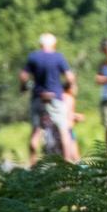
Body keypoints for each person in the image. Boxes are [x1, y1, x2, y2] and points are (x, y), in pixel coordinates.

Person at [20, 32, 77, 165]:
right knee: (63, 130)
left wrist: (23, 87)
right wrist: (67, 86)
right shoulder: (58, 57)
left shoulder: (33, 57)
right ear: (54, 44)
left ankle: (33, 164)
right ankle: (67, 162)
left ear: (41, 44)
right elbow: (70, 77)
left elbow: (23, 76)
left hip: (38, 97)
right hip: (55, 96)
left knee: (35, 131)